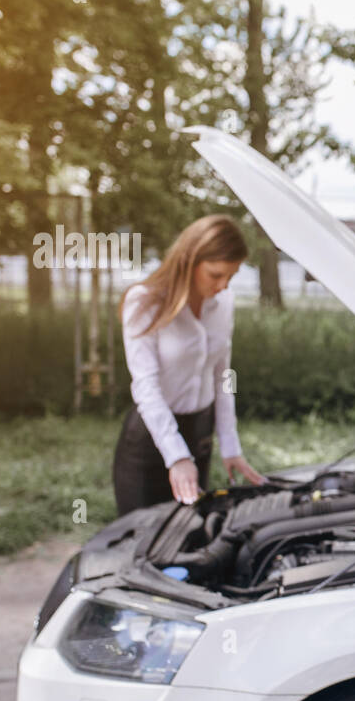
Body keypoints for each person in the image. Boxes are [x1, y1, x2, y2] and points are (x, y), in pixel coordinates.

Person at [112, 214, 267, 516]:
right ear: (190, 260)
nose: (223, 285)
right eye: (215, 274)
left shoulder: (224, 303)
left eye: (231, 277)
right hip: (152, 441)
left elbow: (224, 376)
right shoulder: (144, 302)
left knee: (190, 532)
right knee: (143, 543)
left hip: (200, 435)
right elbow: (146, 387)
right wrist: (177, 457)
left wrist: (230, 444)